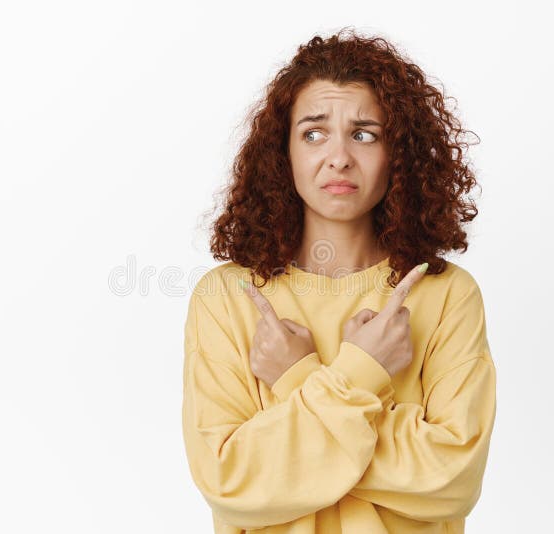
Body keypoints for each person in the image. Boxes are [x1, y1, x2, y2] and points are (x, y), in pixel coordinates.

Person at [181, 27, 496, 534]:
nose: (339, 157)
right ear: (282, 153)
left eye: (365, 133)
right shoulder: (228, 297)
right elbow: (229, 484)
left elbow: (452, 480)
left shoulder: (446, 295)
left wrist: (297, 381)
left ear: (399, 153)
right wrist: (362, 375)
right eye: (313, 132)